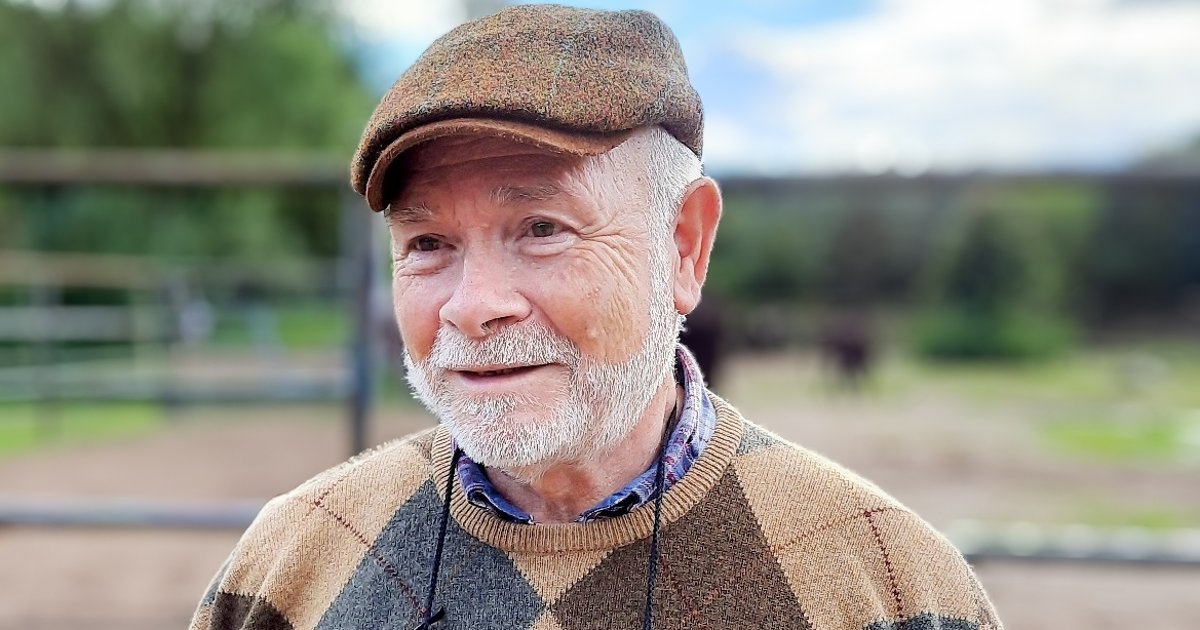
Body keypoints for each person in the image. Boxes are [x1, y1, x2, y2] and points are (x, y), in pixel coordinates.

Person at [190, 5, 1002, 630]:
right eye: (429, 242)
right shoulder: (288, 569)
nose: (473, 308)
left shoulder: (887, 587)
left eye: (543, 229)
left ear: (684, 247)